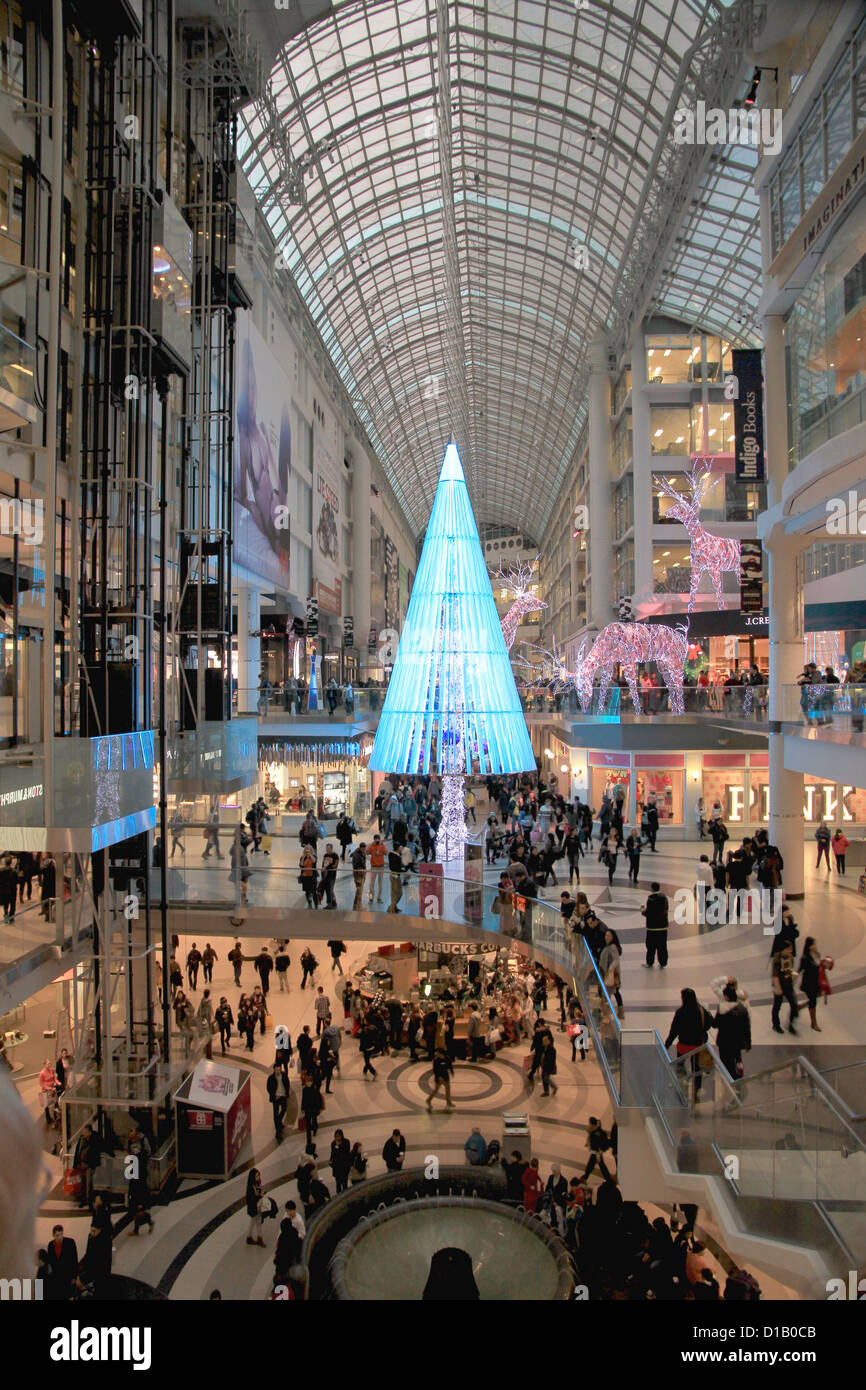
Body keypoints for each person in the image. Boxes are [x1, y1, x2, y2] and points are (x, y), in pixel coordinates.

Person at [664, 988, 714, 1100]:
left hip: (683, 1046)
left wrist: (667, 1044)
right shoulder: (700, 1010)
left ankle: (682, 1083)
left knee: (680, 1065)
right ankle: (696, 1090)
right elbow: (710, 1024)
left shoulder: (680, 1012)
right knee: (697, 1069)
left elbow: (674, 1030)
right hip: (697, 1046)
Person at [711, 982, 751, 1082]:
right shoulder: (742, 1008)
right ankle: (739, 1066)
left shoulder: (722, 1009)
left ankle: (733, 1080)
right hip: (738, 1040)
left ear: (727, 997)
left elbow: (715, 1024)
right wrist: (748, 1043)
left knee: (726, 1062)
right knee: (736, 1055)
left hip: (724, 1041)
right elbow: (747, 1028)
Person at [771, 942, 800, 1035]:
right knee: (777, 1006)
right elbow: (775, 975)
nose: (789, 951)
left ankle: (791, 1024)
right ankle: (776, 1025)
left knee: (794, 1004)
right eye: (788, 949)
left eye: (790, 949)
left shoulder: (790, 957)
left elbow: (789, 970)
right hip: (779, 984)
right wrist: (778, 988)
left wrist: (794, 977)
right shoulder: (777, 959)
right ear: (783, 950)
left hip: (788, 984)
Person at [577, 1117, 615, 1184]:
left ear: (592, 1124)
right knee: (595, 1165)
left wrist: (597, 1155)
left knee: (595, 1165)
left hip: (596, 1153)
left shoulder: (596, 1134)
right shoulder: (597, 1131)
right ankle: (586, 1177)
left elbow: (597, 1146)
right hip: (596, 1153)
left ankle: (586, 1177)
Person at [641, 883, 669, 968]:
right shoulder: (664, 898)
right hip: (663, 927)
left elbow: (649, 913)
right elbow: (666, 910)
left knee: (651, 946)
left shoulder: (651, 899)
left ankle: (650, 962)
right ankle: (663, 963)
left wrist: (643, 910)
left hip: (652, 927)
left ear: (652, 888)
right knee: (662, 946)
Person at [798, 937, 822, 1032]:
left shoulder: (818, 955)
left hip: (816, 981)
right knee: (813, 1001)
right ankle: (814, 1023)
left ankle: (800, 1006)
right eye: (813, 944)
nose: (815, 946)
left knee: (813, 1000)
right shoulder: (805, 957)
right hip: (809, 982)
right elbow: (800, 969)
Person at [598, 929, 623, 1008]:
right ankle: (619, 1010)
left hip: (611, 974)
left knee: (610, 991)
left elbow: (616, 959)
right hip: (607, 973)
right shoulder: (606, 946)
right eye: (606, 935)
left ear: (613, 937)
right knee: (613, 992)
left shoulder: (612, 947)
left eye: (609, 936)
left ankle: (606, 1011)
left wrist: (611, 967)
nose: (607, 937)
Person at [427, 1045, 454, 1111]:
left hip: (445, 1076)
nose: (436, 1054)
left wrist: (451, 1072)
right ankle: (429, 1100)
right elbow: (435, 1070)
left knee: (448, 1089)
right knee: (436, 1090)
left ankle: (448, 1102)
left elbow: (450, 1065)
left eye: (437, 1052)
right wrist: (439, 1077)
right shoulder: (436, 1061)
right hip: (439, 1078)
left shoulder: (447, 1058)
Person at [267, 1062, 289, 1140]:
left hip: (283, 1096)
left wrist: (287, 1093)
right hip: (276, 1098)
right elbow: (268, 1088)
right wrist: (274, 1095)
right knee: (275, 1114)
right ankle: (278, 1131)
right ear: (274, 1070)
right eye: (276, 1070)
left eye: (279, 1070)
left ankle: (278, 1121)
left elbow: (287, 1084)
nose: (278, 1071)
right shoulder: (271, 1078)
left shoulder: (284, 1075)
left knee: (284, 1109)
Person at [245, 1168, 265, 1246]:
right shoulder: (250, 1187)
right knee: (257, 1223)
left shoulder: (257, 1183)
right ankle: (258, 1238)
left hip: (257, 1206)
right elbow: (251, 1199)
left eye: (258, 1175)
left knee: (253, 1223)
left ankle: (249, 1237)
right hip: (254, 1208)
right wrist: (260, 1195)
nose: (258, 1177)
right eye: (256, 1176)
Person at [38, 1059, 58, 1126]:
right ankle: (48, 1119)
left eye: (50, 1063)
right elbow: (41, 1083)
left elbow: (54, 1078)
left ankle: (56, 1115)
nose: (50, 1064)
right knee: (46, 1105)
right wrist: (48, 1088)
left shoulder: (52, 1070)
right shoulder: (42, 1073)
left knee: (55, 1101)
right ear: (44, 1065)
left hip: (53, 1088)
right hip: (46, 1090)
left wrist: (57, 1082)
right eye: (48, 1063)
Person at [350, 842, 367, 910]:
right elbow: (355, 865)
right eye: (364, 849)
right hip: (358, 874)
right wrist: (361, 870)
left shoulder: (362, 853)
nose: (365, 850)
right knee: (359, 890)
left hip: (362, 873)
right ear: (361, 848)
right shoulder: (356, 854)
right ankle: (358, 905)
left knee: (359, 890)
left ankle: (356, 904)